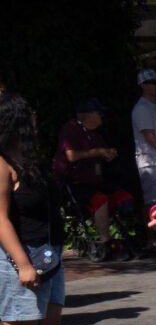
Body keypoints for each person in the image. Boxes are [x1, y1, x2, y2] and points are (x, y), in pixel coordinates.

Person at [0, 92, 83, 325]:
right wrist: (22, 264)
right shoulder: (2, 164)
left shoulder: (32, 160)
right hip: (20, 259)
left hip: (49, 256)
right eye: (29, 115)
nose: (35, 120)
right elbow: (1, 220)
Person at [53, 97, 136, 261]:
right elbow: (71, 155)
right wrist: (98, 152)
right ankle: (106, 243)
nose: (101, 117)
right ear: (89, 115)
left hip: (95, 181)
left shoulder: (94, 134)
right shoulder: (71, 129)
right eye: (99, 113)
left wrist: (108, 154)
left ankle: (129, 238)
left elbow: (102, 151)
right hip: (75, 183)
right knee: (100, 200)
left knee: (124, 197)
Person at [130, 68, 156, 207]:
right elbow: (150, 137)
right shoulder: (142, 108)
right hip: (151, 163)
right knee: (152, 203)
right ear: (143, 85)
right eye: (152, 82)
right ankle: (149, 229)